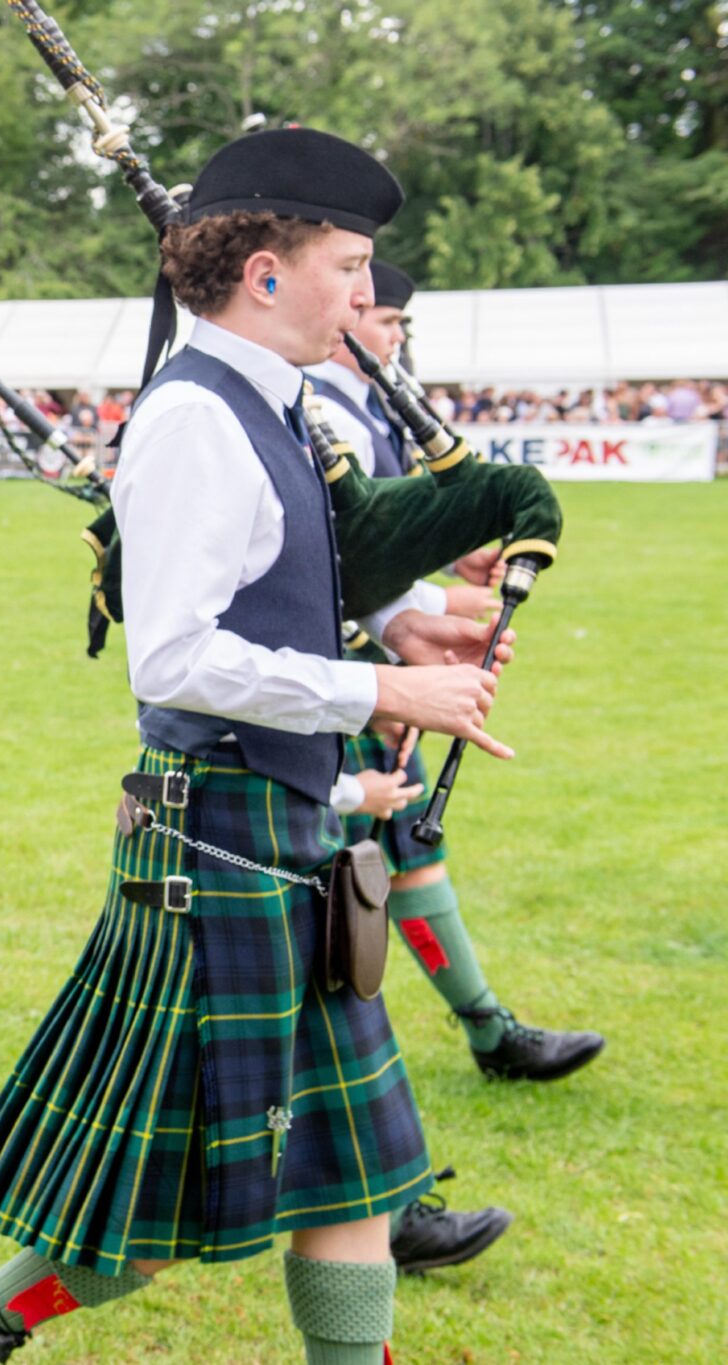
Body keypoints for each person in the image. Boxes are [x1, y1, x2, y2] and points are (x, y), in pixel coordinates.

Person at [0, 129, 518, 1365]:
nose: (366, 295)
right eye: (348, 265)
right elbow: (172, 656)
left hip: (278, 838)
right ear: (264, 273)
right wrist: (372, 687)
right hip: (215, 844)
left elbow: (275, 592)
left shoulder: (273, 402)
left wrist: (407, 626)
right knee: (147, 1223)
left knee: (354, 1186)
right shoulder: (195, 420)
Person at [308, 264, 604, 1095]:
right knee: (357, 858)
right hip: (347, 666)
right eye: (384, 316)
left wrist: (448, 562)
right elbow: (337, 566)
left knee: (395, 853)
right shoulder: (322, 407)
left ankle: (481, 1026)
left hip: (373, 660)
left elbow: (383, 544)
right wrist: (401, 662)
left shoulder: (363, 402)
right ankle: (442, 1040)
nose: (395, 333)